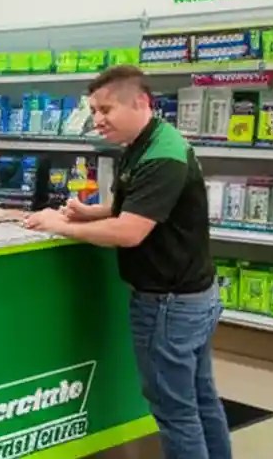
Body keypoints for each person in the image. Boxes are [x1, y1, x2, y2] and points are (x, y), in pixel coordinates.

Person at [21, 65, 231, 459]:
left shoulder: (161, 156)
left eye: (106, 110)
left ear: (140, 102)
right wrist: (91, 212)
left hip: (169, 304)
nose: (97, 120)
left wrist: (59, 226)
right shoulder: (148, 142)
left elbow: (130, 232)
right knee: (201, 400)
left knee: (175, 412)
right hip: (193, 295)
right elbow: (138, 207)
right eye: (94, 111)